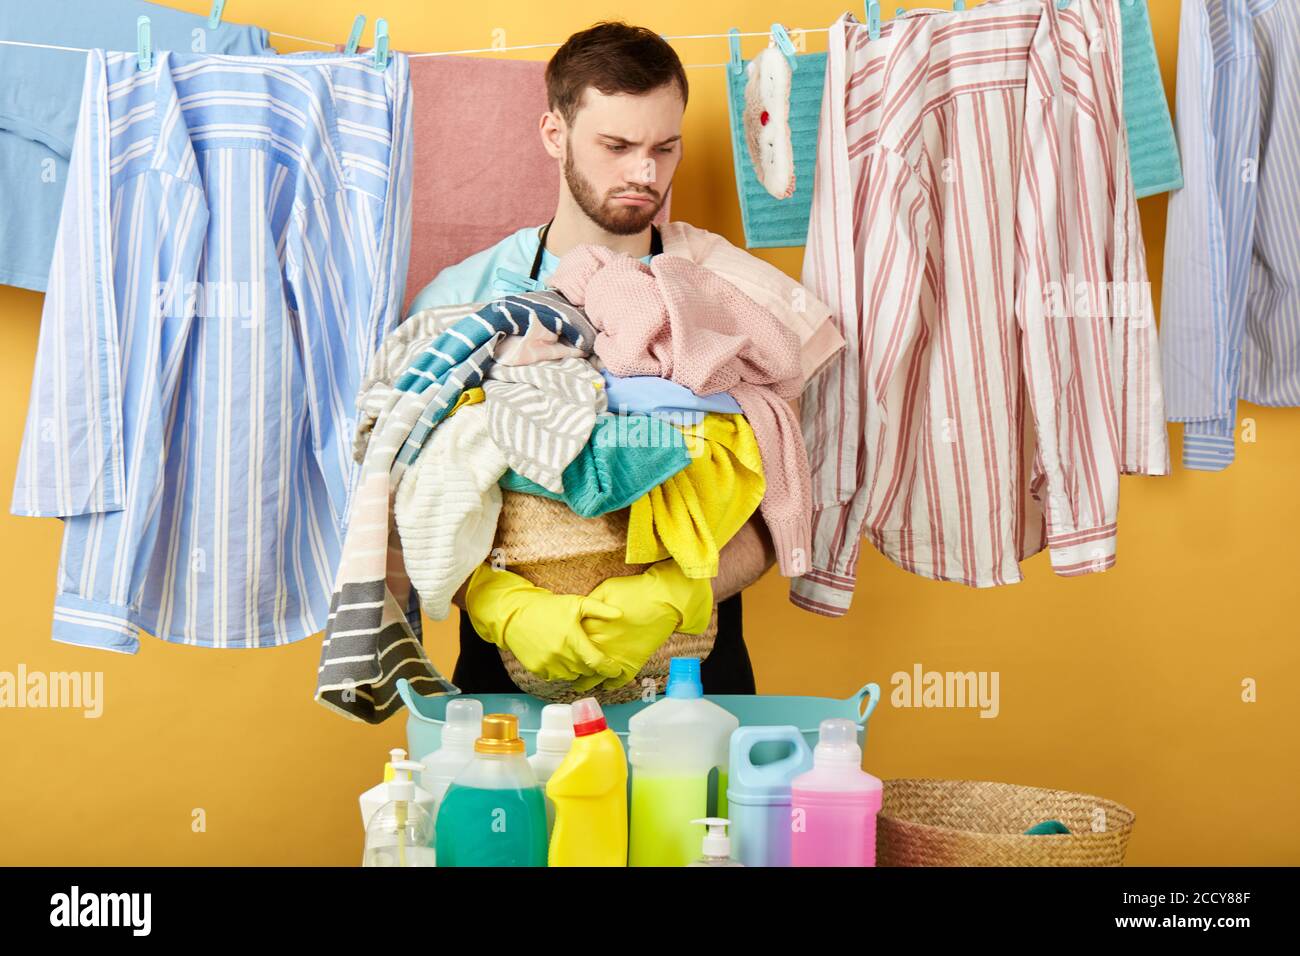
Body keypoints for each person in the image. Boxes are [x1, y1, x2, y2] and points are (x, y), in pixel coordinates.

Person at [409, 21, 778, 695]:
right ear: (555, 134)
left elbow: (778, 497)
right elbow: (420, 494)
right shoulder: (468, 298)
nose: (645, 173)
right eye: (617, 146)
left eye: (664, 149)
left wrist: (674, 596)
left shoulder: (726, 294)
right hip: (511, 666)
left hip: (697, 670)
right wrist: (498, 603)